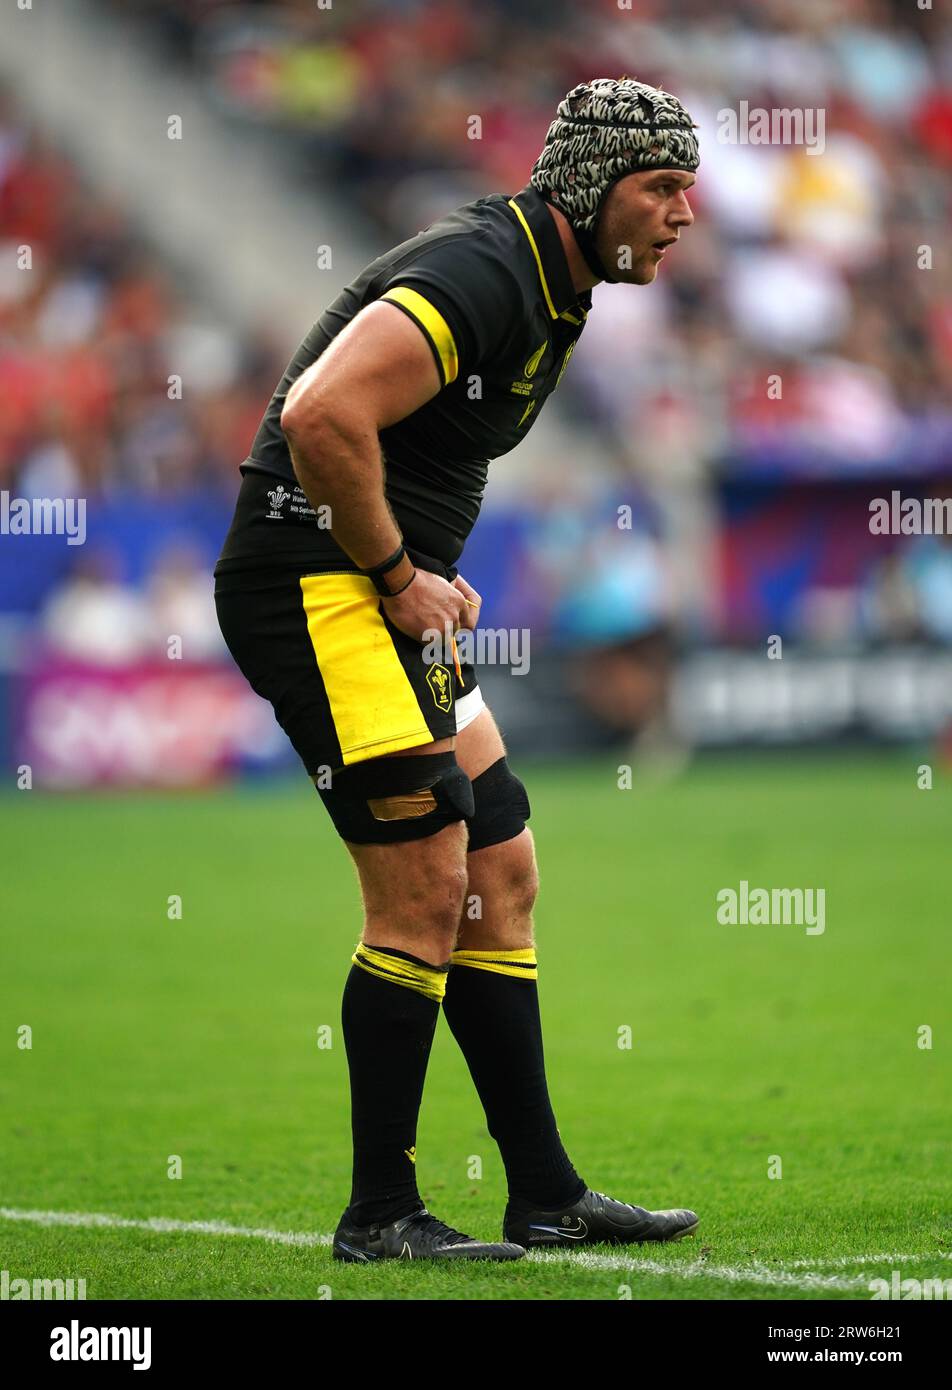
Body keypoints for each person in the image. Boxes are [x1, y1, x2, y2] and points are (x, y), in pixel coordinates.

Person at [214, 76, 701, 1262]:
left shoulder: (563, 276)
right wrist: (396, 571)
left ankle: (543, 1192)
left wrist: (413, 568)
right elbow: (324, 411)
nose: (681, 213)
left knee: (501, 864)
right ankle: (379, 1213)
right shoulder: (489, 268)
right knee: (425, 888)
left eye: (689, 187)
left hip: (377, 590)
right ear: (587, 188)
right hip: (318, 586)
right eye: (658, 186)